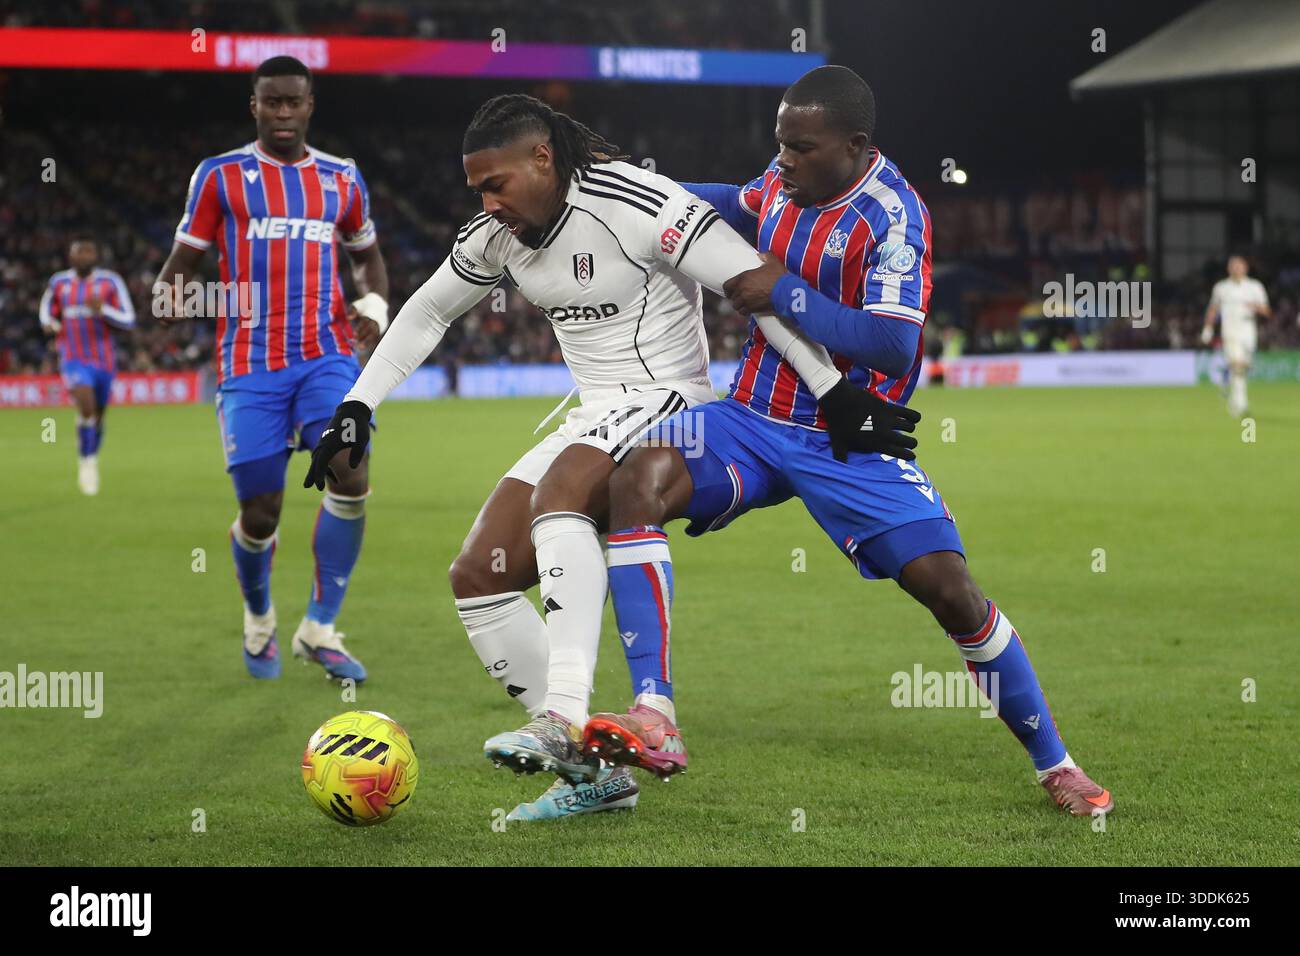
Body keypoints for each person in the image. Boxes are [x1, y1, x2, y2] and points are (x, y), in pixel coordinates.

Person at [305, 93, 916, 821]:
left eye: (495, 184)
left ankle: (560, 721)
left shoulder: (639, 200)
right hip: (593, 410)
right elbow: (431, 310)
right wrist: (356, 406)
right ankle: (596, 777)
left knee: (560, 493)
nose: (488, 202)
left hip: (672, 401)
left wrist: (831, 389)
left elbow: (750, 287)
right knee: (478, 577)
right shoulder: (496, 236)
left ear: (542, 158)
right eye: (477, 191)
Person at [584, 65, 1114, 818]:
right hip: (751, 420)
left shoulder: (895, 217)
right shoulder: (782, 179)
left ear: (856, 147)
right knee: (637, 477)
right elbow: (734, 203)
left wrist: (786, 292)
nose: (784, 160)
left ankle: (1055, 764)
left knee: (950, 591)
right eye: (780, 145)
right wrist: (641, 185)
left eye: (801, 148)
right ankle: (654, 712)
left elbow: (894, 345)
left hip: (851, 440)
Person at [155, 56, 390, 682]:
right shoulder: (220, 177)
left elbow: (367, 259)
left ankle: (320, 627)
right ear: (253, 106)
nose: (283, 113)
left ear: (310, 105)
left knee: (350, 466)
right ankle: (259, 616)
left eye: (294, 102)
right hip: (249, 365)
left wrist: (372, 304)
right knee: (261, 511)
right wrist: (175, 299)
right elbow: (180, 265)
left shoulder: (343, 179)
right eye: (271, 103)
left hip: (326, 354)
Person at [39, 234, 136, 495]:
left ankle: (91, 451)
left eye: (88, 252)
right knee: (86, 406)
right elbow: (46, 307)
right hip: (72, 357)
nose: (84, 257)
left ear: (96, 256)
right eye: (79, 252)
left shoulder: (110, 282)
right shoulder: (59, 282)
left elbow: (129, 319)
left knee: (99, 414)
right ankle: (87, 462)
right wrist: (49, 322)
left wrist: (102, 310)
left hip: (104, 360)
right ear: (71, 256)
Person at [1201, 255, 1269, 418]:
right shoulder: (1221, 288)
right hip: (1230, 331)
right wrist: (1208, 328)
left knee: (1243, 367)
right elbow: (1213, 309)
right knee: (1236, 365)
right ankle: (1240, 403)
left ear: (1246, 268)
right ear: (1228, 269)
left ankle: (1234, 397)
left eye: (1239, 266)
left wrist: (1256, 307)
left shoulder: (1255, 287)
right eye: (1233, 266)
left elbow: (1267, 311)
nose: (1236, 269)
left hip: (1249, 332)